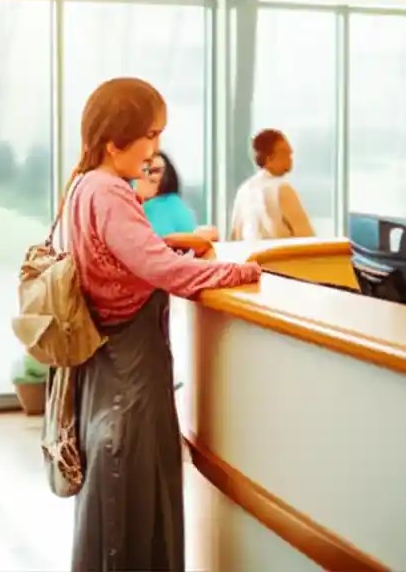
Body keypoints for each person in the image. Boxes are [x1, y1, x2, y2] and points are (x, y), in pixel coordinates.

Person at [65, 77, 261, 571]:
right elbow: (163, 272)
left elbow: (128, 258)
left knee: (123, 497)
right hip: (128, 375)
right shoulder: (109, 191)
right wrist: (242, 270)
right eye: (151, 134)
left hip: (110, 370)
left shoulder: (84, 185)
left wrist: (172, 245)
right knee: (130, 495)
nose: (156, 148)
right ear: (116, 141)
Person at [229, 128, 315, 240]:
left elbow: (235, 237)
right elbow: (308, 239)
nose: (290, 157)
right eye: (285, 153)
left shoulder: (243, 191)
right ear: (268, 158)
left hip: (250, 256)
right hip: (280, 256)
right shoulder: (282, 189)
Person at [136, 151, 218, 241]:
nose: (148, 176)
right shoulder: (178, 204)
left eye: (155, 171)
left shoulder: (160, 206)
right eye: (144, 171)